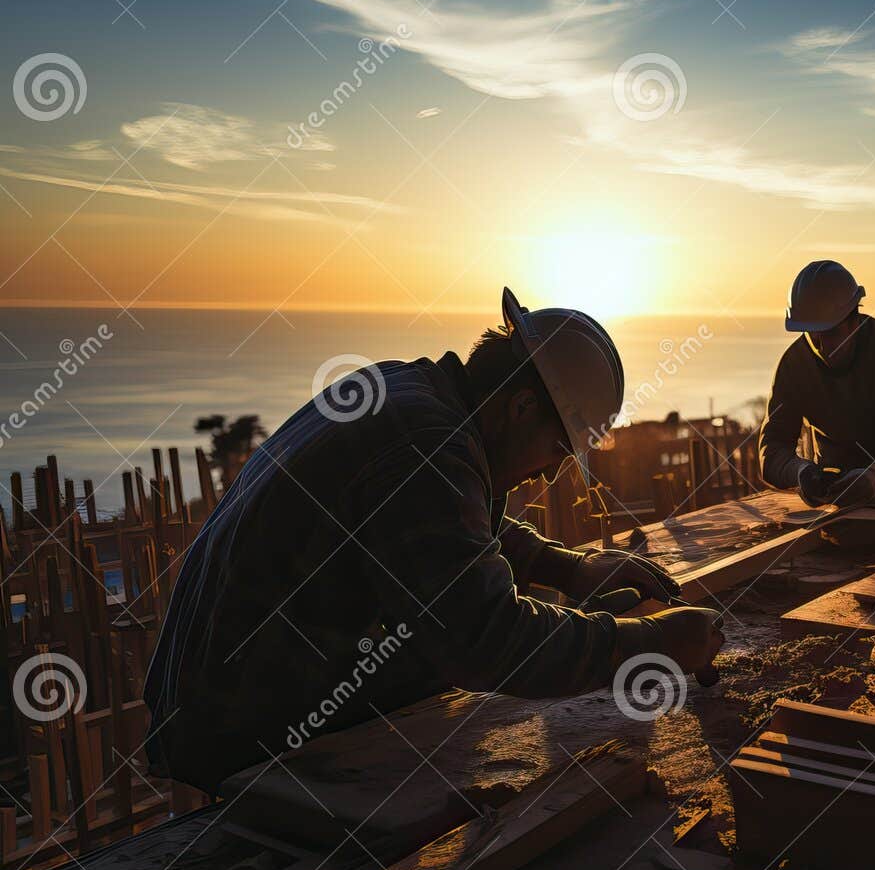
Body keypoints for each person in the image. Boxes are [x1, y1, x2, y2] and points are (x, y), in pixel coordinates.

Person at [144, 288, 724, 793]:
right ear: (522, 406)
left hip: (223, 690)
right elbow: (483, 638)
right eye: (556, 452)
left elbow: (449, 528)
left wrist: (570, 569)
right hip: (240, 724)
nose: (551, 476)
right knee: (455, 668)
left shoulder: (414, 393)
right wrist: (648, 645)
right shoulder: (426, 445)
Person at [758, 260, 875, 508]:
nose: (822, 346)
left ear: (855, 321)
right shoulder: (794, 365)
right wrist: (801, 472)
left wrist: (873, 477)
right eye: (813, 334)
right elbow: (771, 450)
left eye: (831, 333)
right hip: (830, 500)